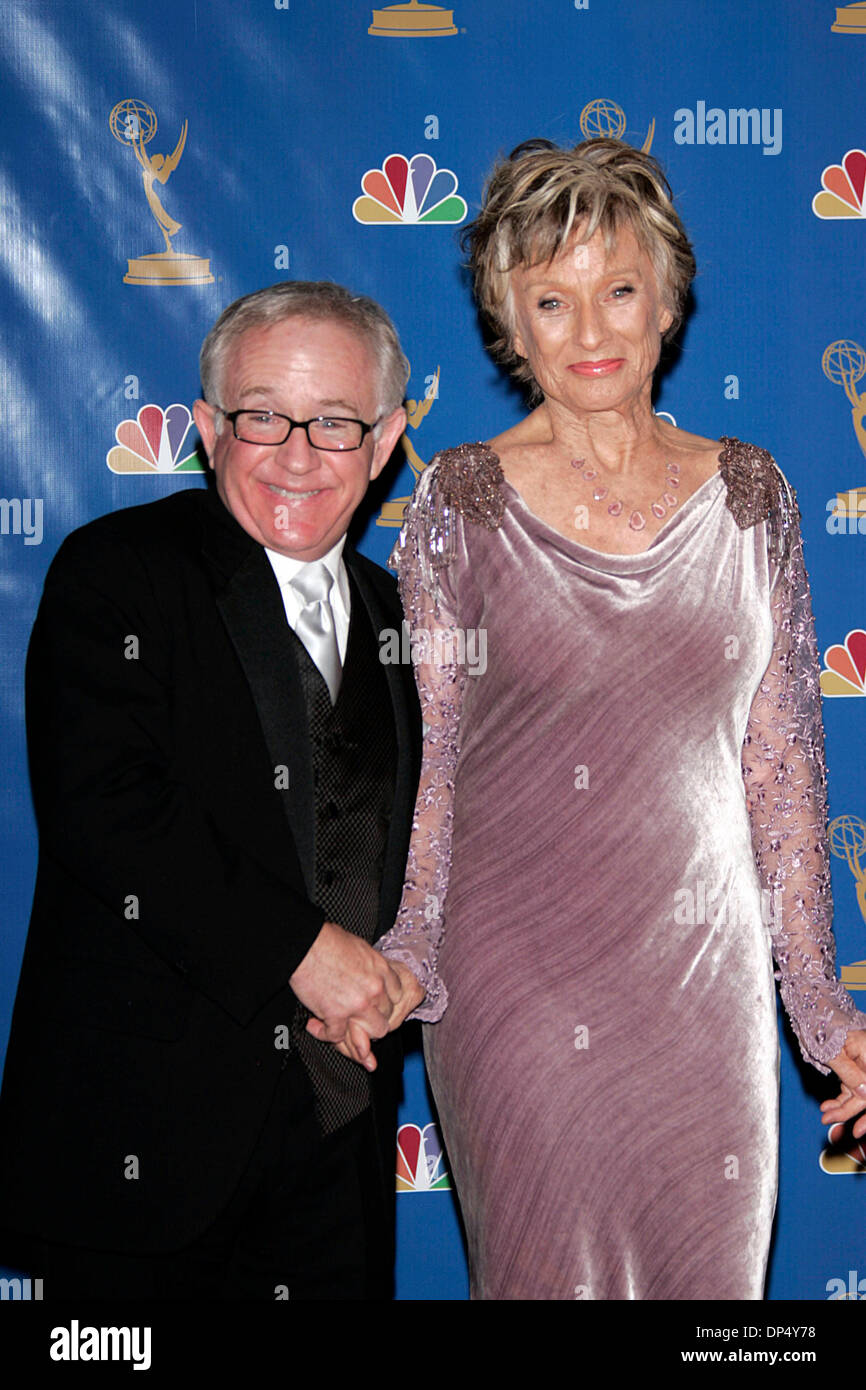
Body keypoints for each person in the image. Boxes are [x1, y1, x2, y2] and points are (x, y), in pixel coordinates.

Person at [339, 139, 866, 1299]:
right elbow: (434, 767)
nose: (589, 330)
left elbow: (781, 771)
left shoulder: (751, 493)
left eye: (617, 289)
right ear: (507, 325)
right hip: (516, 981)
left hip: (705, 985)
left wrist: (822, 1011)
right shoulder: (456, 506)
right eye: (549, 299)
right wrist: (409, 956)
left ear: (666, 301)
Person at [0, 281, 422, 1299]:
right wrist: (301, 951)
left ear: (385, 441)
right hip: (145, 1158)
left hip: (337, 1155)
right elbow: (110, 808)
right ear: (205, 428)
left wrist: (410, 966)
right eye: (260, 415)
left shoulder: (405, 616)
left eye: (333, 423)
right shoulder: (118, 573)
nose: (295, 453)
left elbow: (427, 839)